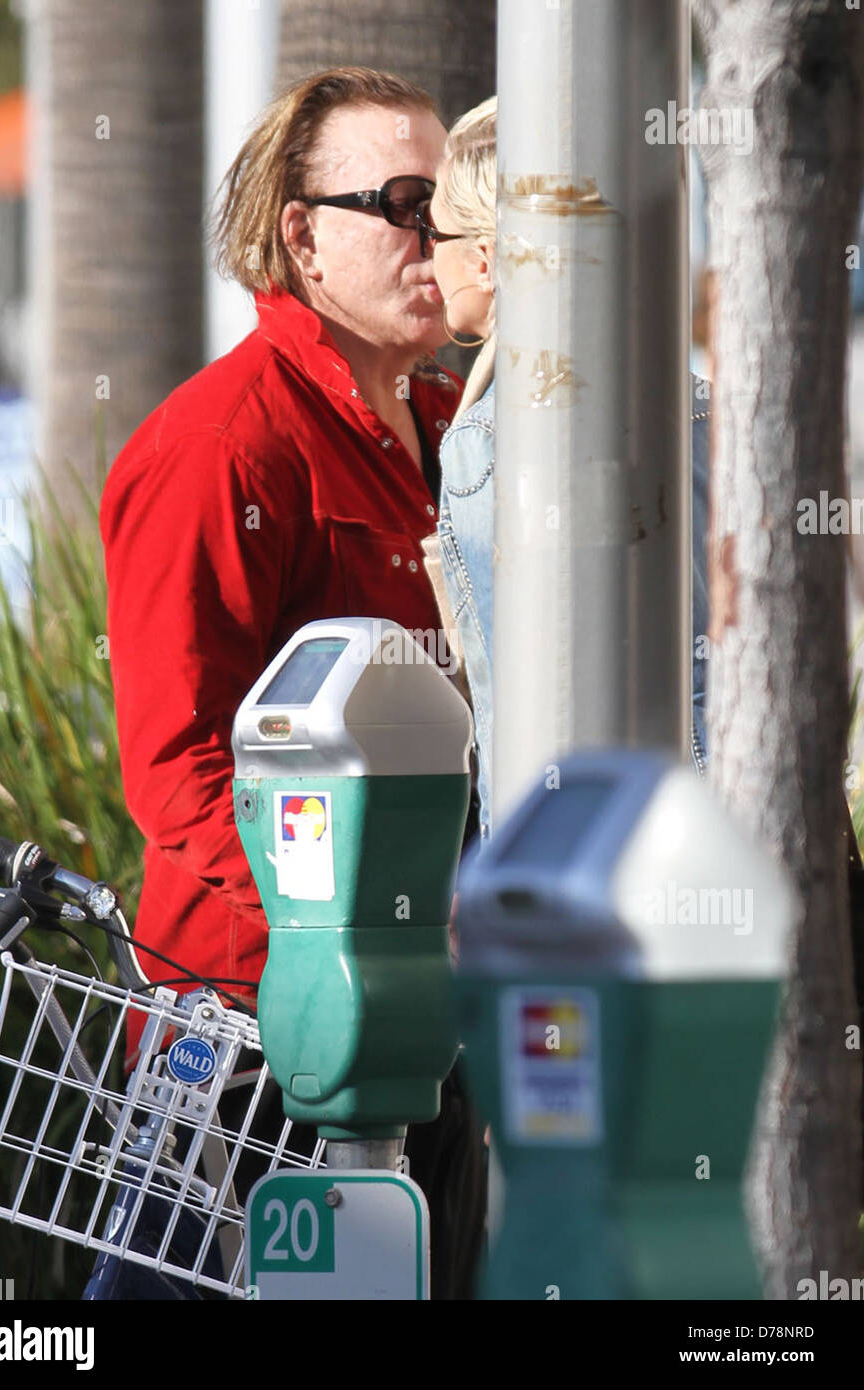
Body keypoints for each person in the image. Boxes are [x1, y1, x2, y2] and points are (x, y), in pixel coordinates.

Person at [96, 66, 485, 1300]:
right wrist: (345, 943)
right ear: (302, 236)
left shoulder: (456, 433)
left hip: (420, 1023)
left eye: (454, 205)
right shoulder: (224, 445)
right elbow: (177, 769)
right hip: (250, 1032)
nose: (439, 236)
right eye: (406, 204)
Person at [418, 97, 711, 841]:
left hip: (595, 847)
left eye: (434, 233)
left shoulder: (492, 437)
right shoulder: (694, 400)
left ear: (484, 260)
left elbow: (526, 713)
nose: (426, 258)